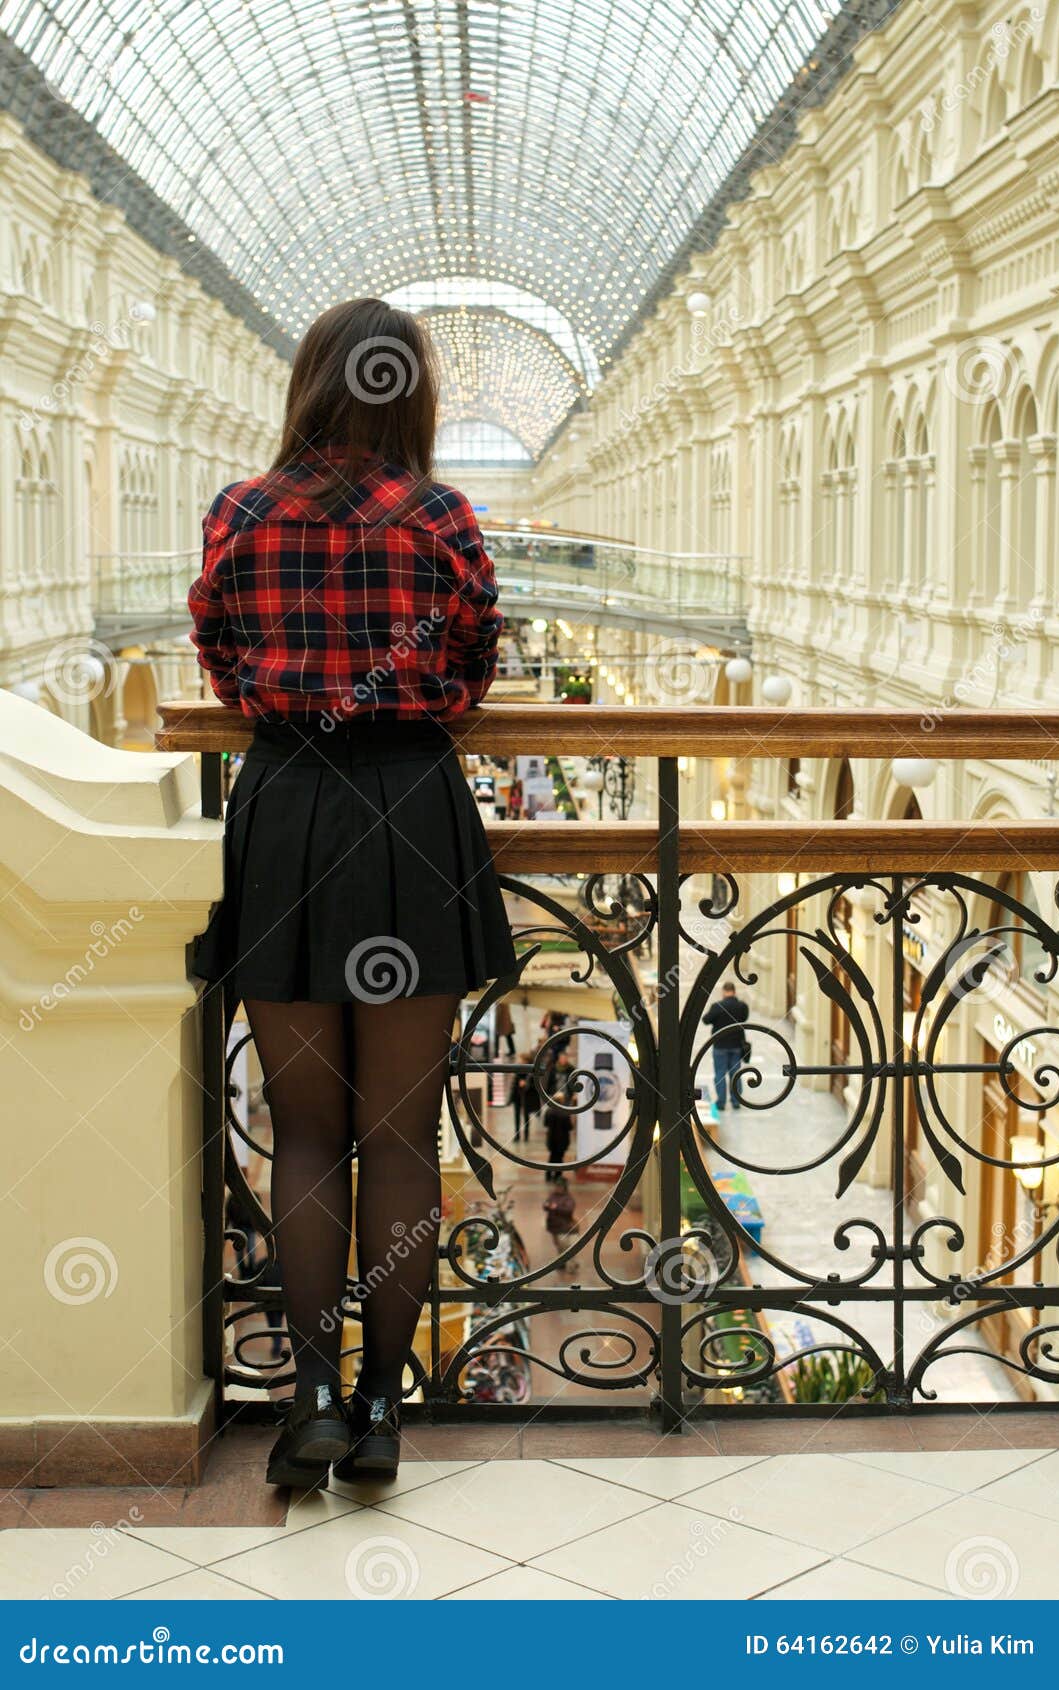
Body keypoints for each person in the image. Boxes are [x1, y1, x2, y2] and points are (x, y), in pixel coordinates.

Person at [187, 297, 516, 1490]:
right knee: (399, 1136)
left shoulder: (241, 510)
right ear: (406, 393)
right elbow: (474, 663)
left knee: (307, 1130)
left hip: (284, 812)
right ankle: (382, 1409)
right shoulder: (442, 516)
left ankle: (311, 1396)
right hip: (411, 818)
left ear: (307, 384)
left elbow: (218, 655)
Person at [703, 980, 749, 1122]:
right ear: (734, 991)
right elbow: (744, 1018)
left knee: (720, 1074)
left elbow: (705, 1020)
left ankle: (721, 1102)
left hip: (720, 1045)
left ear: (724, 991)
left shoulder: (717, 1006)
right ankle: (736, 1101)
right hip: (736, 1044)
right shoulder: (742, 1006)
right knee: (736, 1073)